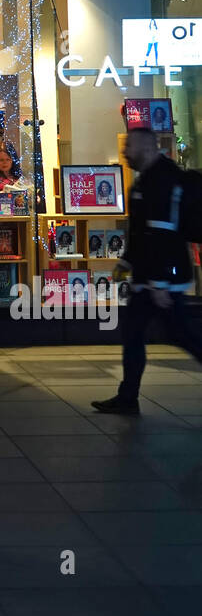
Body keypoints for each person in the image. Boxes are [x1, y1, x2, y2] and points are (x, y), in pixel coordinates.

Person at [93, 127, 202, 414]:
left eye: (130, 146)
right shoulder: (147, 180)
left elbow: (163, 235)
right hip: (150, 279)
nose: (125, 152)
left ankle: (128, 398)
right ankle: (127, 398)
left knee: (183, 336)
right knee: (134, 334)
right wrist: (127, 262)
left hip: (162, 281)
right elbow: (141, 232)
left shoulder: (162, 180)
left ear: (146, 146)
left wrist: (160, 282)